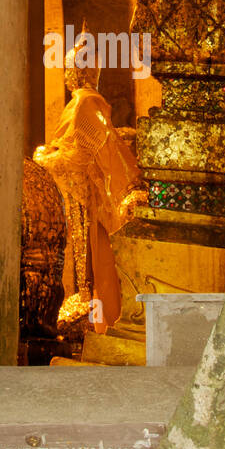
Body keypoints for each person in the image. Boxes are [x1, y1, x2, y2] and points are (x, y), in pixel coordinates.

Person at [34, 36, 141, 336]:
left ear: (78, 71)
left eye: (71, 69)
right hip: (77, 192)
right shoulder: (80, 102)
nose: (68, 74)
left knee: (92, 261)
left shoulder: (86, 101)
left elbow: (97, 145)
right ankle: (89, 312)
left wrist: (47, 158)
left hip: (87, 194)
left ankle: (99, 319)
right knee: (84, 260)